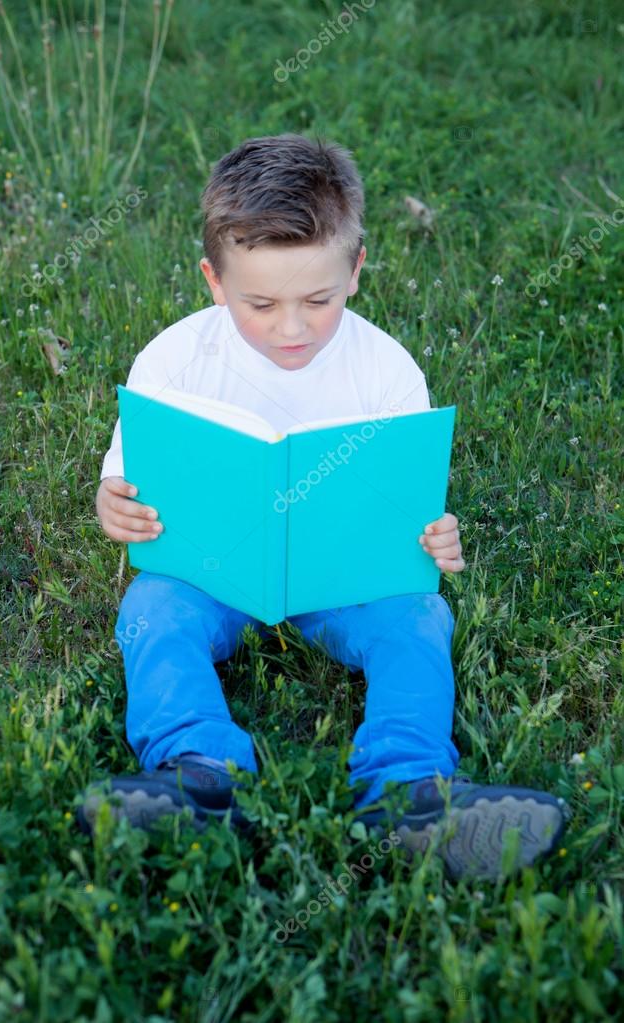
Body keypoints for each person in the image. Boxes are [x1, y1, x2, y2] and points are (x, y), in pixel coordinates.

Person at [76, 133, 569, 881]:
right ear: (213, 280)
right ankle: (198, 770)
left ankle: (407, 788)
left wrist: (435, 538)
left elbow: (411, 510)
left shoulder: (387, 370)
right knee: (152, 608)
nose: (293, 328)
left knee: (419, 616)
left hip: (344, 579)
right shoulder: (172, 361)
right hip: (212, 570)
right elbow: (127, 483)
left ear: (357, 269)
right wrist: (114, 507)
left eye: (320, 299)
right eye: (260, 303)